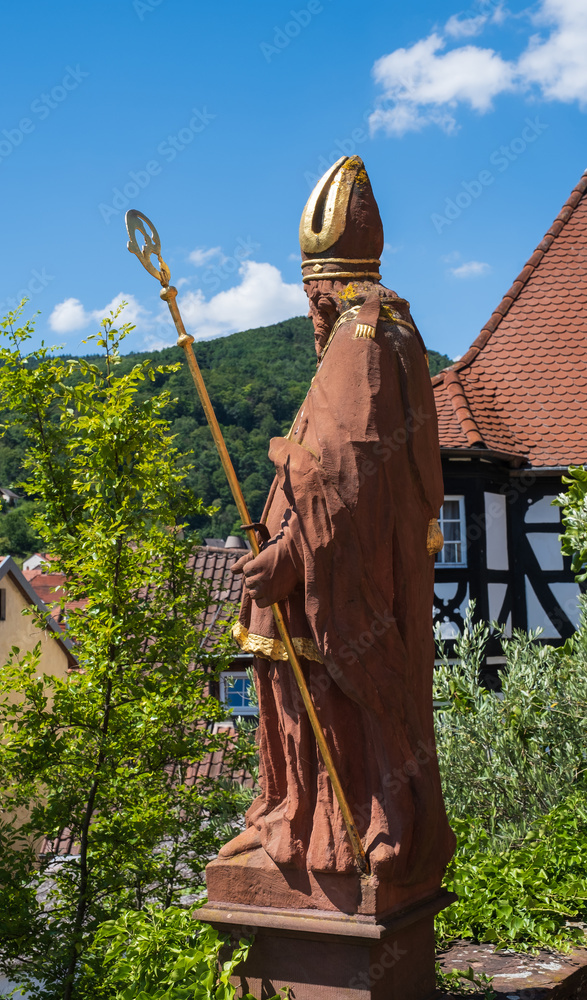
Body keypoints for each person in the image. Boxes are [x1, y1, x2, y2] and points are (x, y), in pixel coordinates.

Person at [223, 156, 455, 887]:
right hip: (355, 564)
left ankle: (327, 829)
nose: (309, 313)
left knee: (318, 689)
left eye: (309, 295)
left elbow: (350, 474)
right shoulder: (394, 333)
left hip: (327, 575)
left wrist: (292, 555)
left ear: (322, 288)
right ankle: (300, 815)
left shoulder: (361, 341)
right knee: (313, 692)